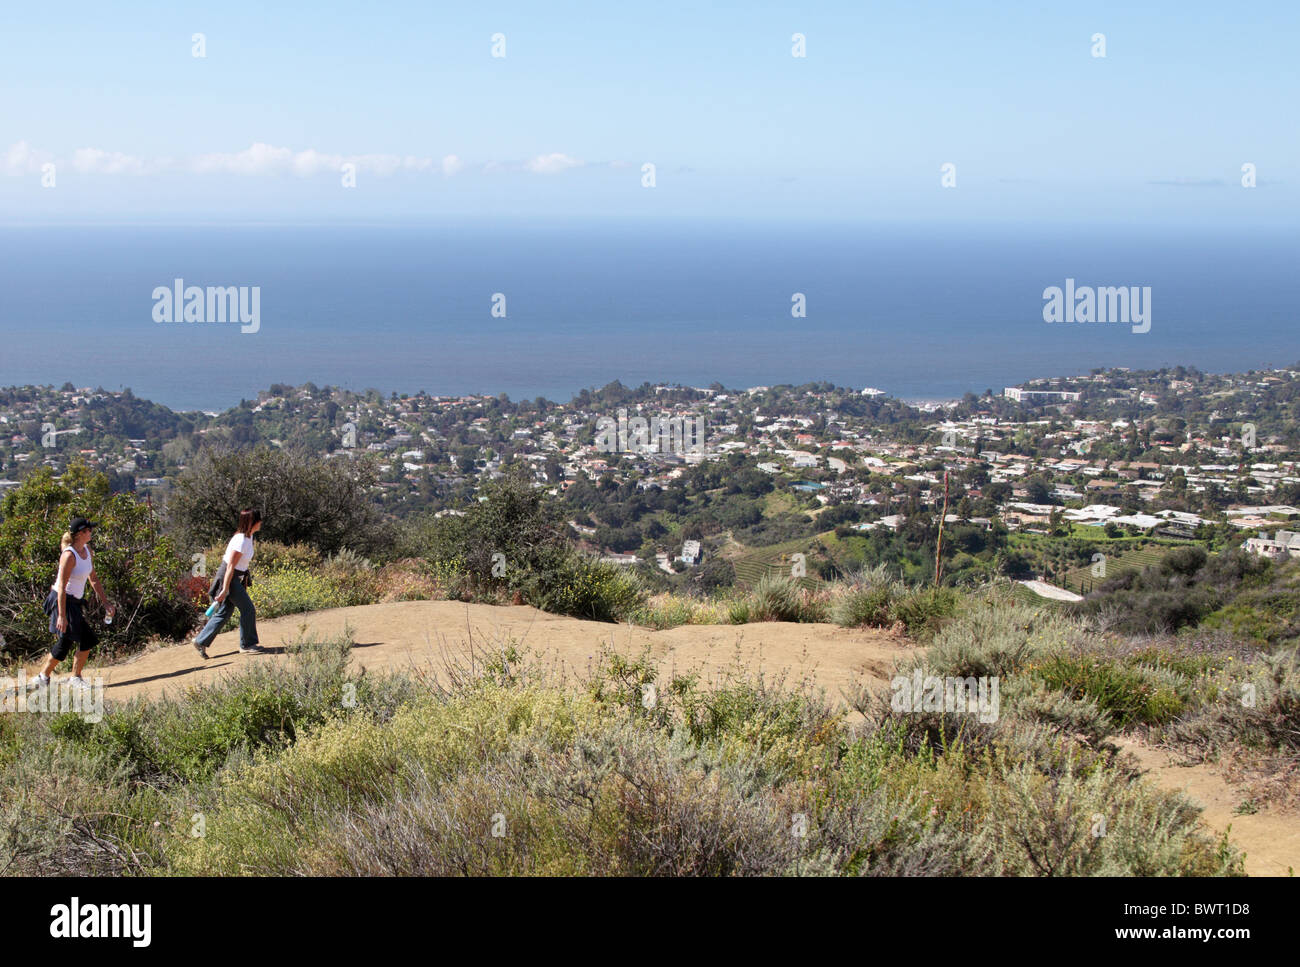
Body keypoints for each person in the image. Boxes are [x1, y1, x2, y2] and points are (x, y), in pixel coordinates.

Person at [31, 516, 115, 691]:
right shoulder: (69, 555)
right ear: (79, 534)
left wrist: (105, 602)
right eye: (88, 530)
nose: (91, 532)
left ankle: (69, 677)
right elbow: (61, 586)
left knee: (87, 640)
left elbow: (93, 578)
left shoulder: (87, 550)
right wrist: (61, 616)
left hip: (74, 602)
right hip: (62, 600)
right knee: (67, 641)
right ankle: (45, 677)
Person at [192, 509, 265, 659]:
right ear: (253, 522)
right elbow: (230, 566)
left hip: (234, 578)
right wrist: (225, 588)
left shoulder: (248, 537)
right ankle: (247, 645)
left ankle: (200, 641)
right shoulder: (241, 540)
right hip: (229, 578)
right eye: (259, 520)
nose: (261, 523)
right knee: (248, 609)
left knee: (225, 612)